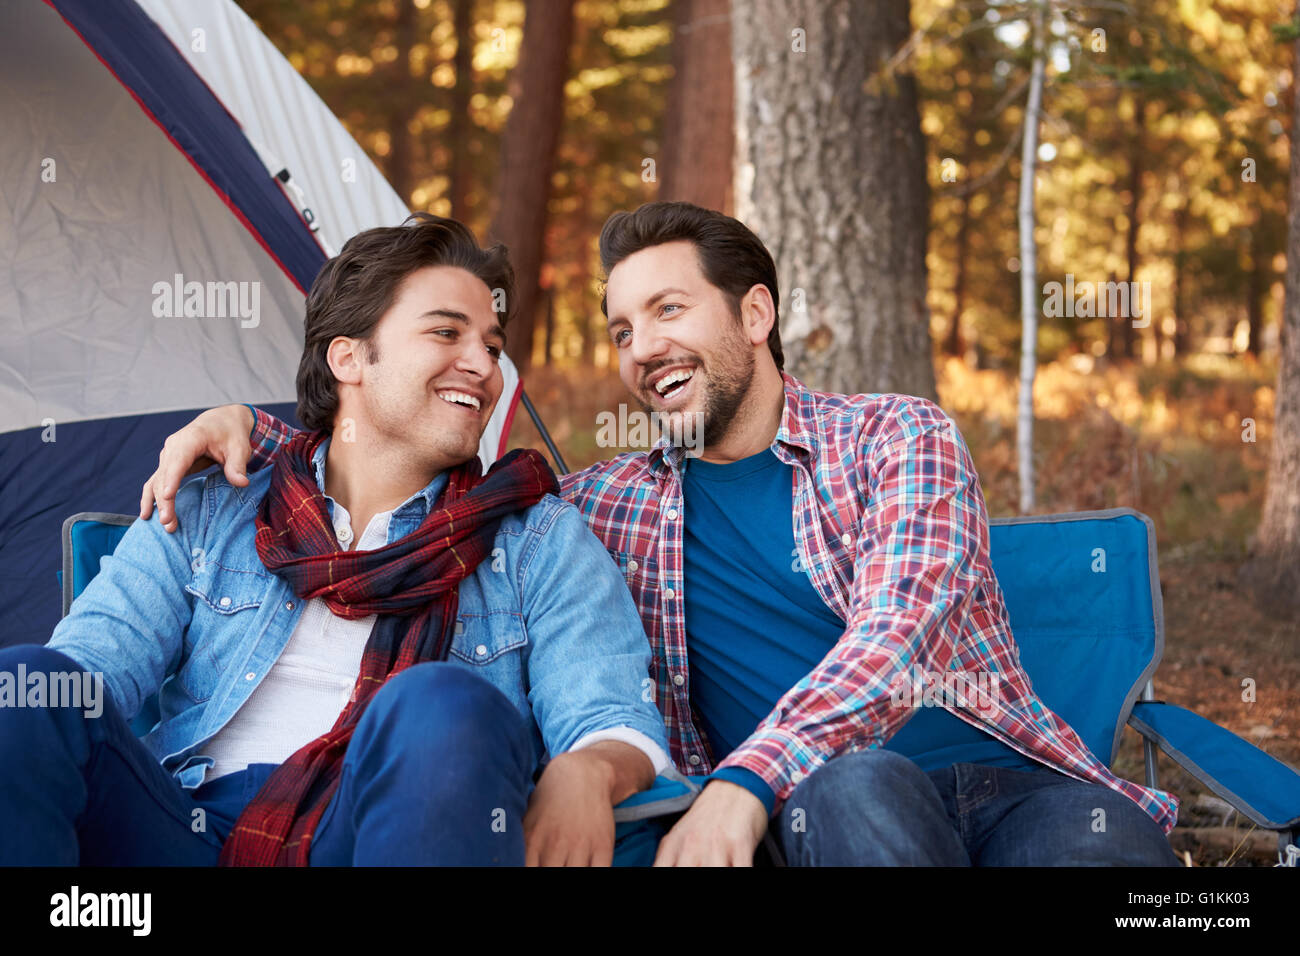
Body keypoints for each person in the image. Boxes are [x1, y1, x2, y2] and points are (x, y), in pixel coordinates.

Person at [143, 201, 1180, 866]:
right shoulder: (602, 507)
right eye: (621, 329)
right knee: (857, 787)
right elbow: (407, 471)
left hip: (1016, 791)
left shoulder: (895, 437)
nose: (642, 348)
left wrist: (740, 781)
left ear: (756, 314)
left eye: (668, 310)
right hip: (830, 812)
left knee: (1110, 859)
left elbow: (898, 636)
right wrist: (265, 430)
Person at [0, 213, 671, 867]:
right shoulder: (213, 511)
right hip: (182, 826)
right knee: (25, 684)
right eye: (447, 332)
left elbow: (611, 717)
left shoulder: (538, 541)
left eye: (492, 348)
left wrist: (590, 769)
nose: (484, 367)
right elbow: (85, 674)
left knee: (439, 703)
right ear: (348, 358)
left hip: (383, 826)